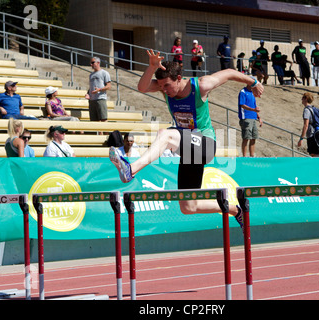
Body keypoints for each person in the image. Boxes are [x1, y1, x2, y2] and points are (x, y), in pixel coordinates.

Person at [109, 49, 264, 229]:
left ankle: (131, 169)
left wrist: (254, 81)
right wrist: (151, 68)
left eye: (167, 85)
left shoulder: (201, 86)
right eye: (161, 86)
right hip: (189, 151)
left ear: (179, 78)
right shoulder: (164, 89)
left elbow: (229, 73)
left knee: (165, 134)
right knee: (188, 206)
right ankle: (235, 210)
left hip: (205, 145)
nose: (164, 90)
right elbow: (142, 87)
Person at [238, 79, 263, 157]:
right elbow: (242, 105)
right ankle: (244, 156)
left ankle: (252, 156)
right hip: (246, 117)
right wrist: (253, 110)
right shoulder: (243, 92)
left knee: (253, 138)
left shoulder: (252, 93)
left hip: (253, 118)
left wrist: (259, 117)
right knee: (246, 138)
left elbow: (254, 105)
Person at [84, 57, 111, 125]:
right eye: (91, 63)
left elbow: (108, 86)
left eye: (93, 62)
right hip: (92, 100)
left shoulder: (104, 73)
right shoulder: (91, 75)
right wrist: (88, 94)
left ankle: (106, 134)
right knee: (94, 121)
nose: (91, 64)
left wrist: (99, 90)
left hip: (100, 98)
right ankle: (99, 135)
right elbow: (91, 87)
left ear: (98, 63)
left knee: (103, 119)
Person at [297, 92, 319, 156]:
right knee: (315, 154)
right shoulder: (313, 108)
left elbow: (306, 125)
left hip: (311, 135)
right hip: (317, 133)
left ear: (306, 99)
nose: (301, 99)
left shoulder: (307, 110)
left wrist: (301, 139)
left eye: (302, 98)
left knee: (313, 155)